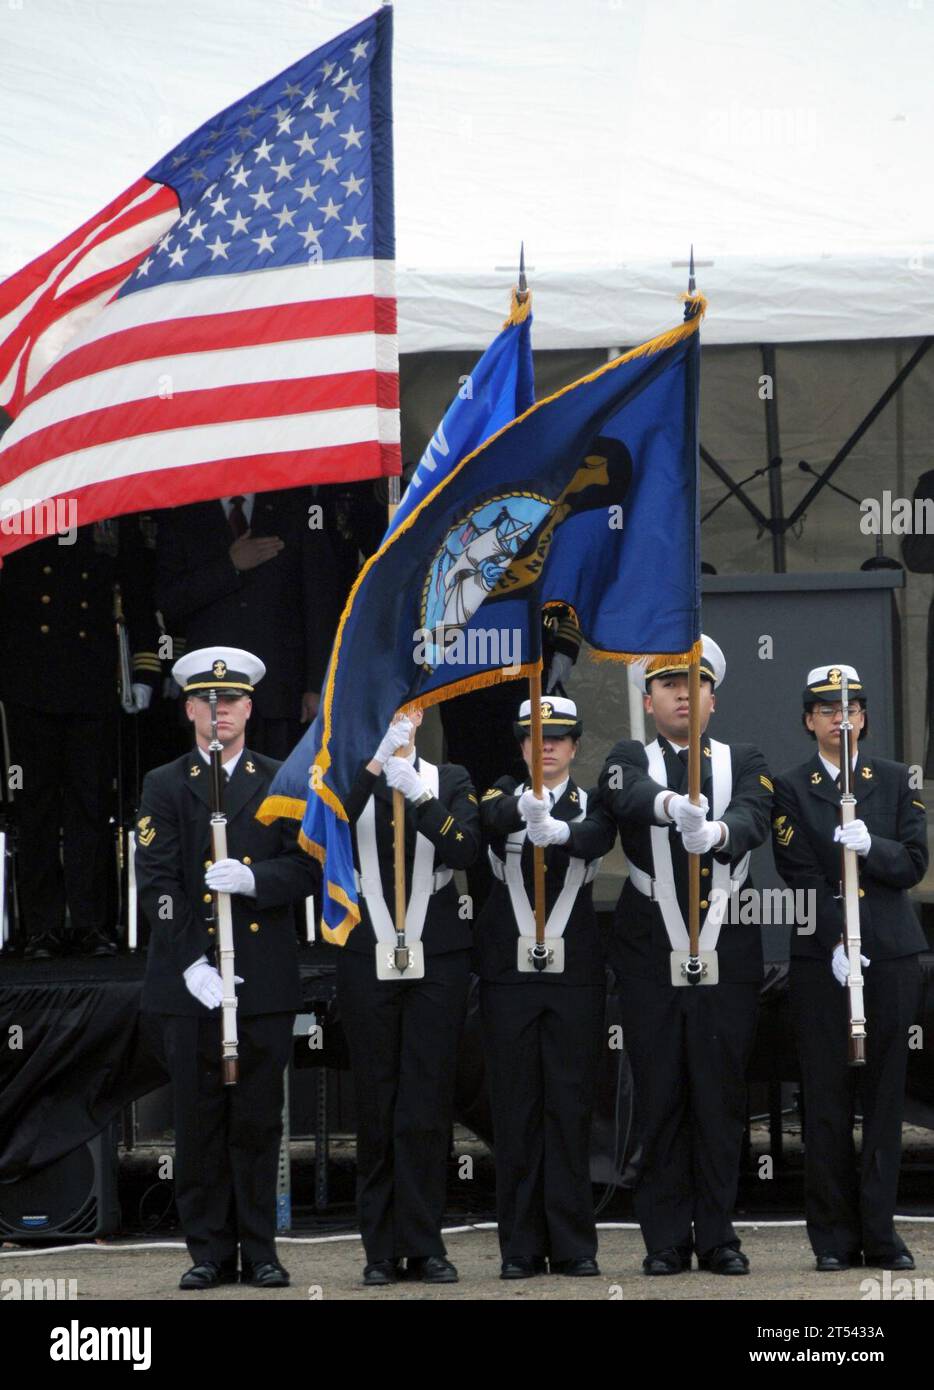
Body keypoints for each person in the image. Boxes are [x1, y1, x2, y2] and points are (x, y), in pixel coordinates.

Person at [136, 646, 319, 1290]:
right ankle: (208, 1252)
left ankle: (261, 1250)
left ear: (250, 708)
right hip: (190, 986)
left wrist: (252, 878)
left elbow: (306, 868)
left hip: (262, 978)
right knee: (200, 1122)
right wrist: (191, 964)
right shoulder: (164, 783)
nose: (221, 712)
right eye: (208, 702)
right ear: (188, 708)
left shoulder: (280, 780)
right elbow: (157, 883)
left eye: (233, 701)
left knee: (258, 1122)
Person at [597, 636, 772, 1276]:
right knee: (661, 1093)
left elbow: (756, 812)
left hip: (727, 946)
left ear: (712, 699)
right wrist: (672, 805)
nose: (680, 693)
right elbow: (623, 792)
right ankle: (665, 1238)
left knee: (720, 1095)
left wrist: (719, 832)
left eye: (692, 684)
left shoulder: (742, 758)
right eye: (668, 685)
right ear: (648, 700)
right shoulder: (628, 756)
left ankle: (720, 1235)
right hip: (650, 949)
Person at [771, 663, 928, 1273]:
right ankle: (832, 1238)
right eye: (829, 709)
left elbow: (913, 860)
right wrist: (837, 936)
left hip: (888, 954)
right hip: (824, 960)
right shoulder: (790, 784)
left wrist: (875, 847)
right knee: (827, 1100)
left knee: (886, 1098)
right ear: (810, 721)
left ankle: (882, 1234)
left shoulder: (891, 781)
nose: (843, 718)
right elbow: (796, 868)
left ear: (864, 717)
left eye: (853, 708)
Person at [338, 707, 480, 1286]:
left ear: (420, 719)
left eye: (405, 714)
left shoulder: (451, 780)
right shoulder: (347, 778)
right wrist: (374, 767)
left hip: (437, 958)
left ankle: (424, 1244)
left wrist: (421, 797)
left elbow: (466, 851)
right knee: (376, 1101)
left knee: (425, 1102)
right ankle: (379, 1249)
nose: (396, 723)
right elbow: (322, 830)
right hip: (366, 950)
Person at [476, 695, 615, 1280]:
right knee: (516, 1111)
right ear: (523, 745)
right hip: (509, 979)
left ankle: (574, 1244)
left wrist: (557, 829)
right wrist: (523, 809)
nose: (548, 746)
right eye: (536, 737)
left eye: (559, 737)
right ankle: (521, 1247)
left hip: (573, 978)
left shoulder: (592, 803)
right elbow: (486, 820)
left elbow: (598, 838)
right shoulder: (496, 792)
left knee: (569, 1107)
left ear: (576, 746)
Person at [0, 519, 160, 958]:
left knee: (91, 805)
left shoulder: (106, 508)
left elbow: (138, 594)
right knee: (36, 806)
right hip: (27, 680)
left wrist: (144, 668)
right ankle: (42, 926)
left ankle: (91, 922)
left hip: (93, 681)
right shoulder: (21, 508)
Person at [155, 489, 342, 759]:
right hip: (212, 686)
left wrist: (317, 685)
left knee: (279, 793)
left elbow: (319, 600)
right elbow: (170, 601)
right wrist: (230, 566)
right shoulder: (186, 512)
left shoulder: (294, 505)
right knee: (217, 794)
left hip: (281, 689)